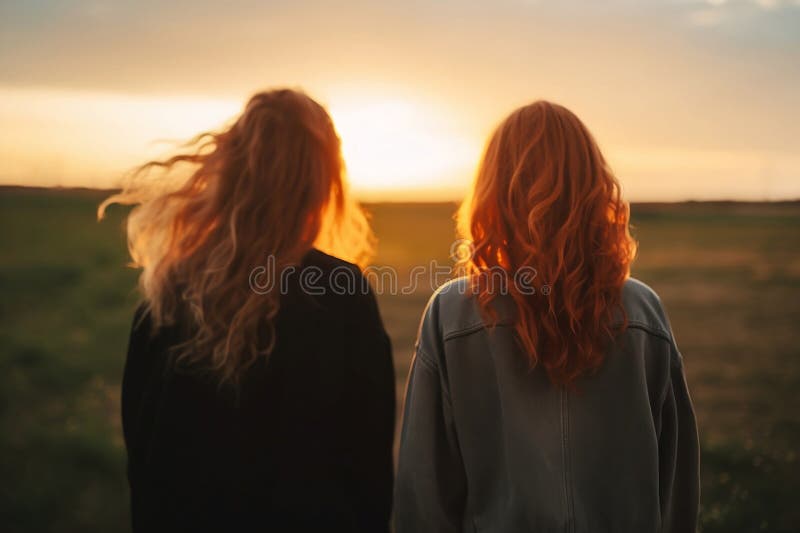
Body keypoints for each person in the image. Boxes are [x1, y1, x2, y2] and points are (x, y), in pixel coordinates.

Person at [394, 101, 699, 533]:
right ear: (594, 189)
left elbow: (424, 496)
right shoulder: (642, 313)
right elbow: (676, 488)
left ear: (492, 193)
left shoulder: (452, 314)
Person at [100, 89, 395, 532]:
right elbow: (368, 466)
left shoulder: (170, 291)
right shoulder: (340, 291)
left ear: (235, 170)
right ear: (322, 183)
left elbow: (142, 455)